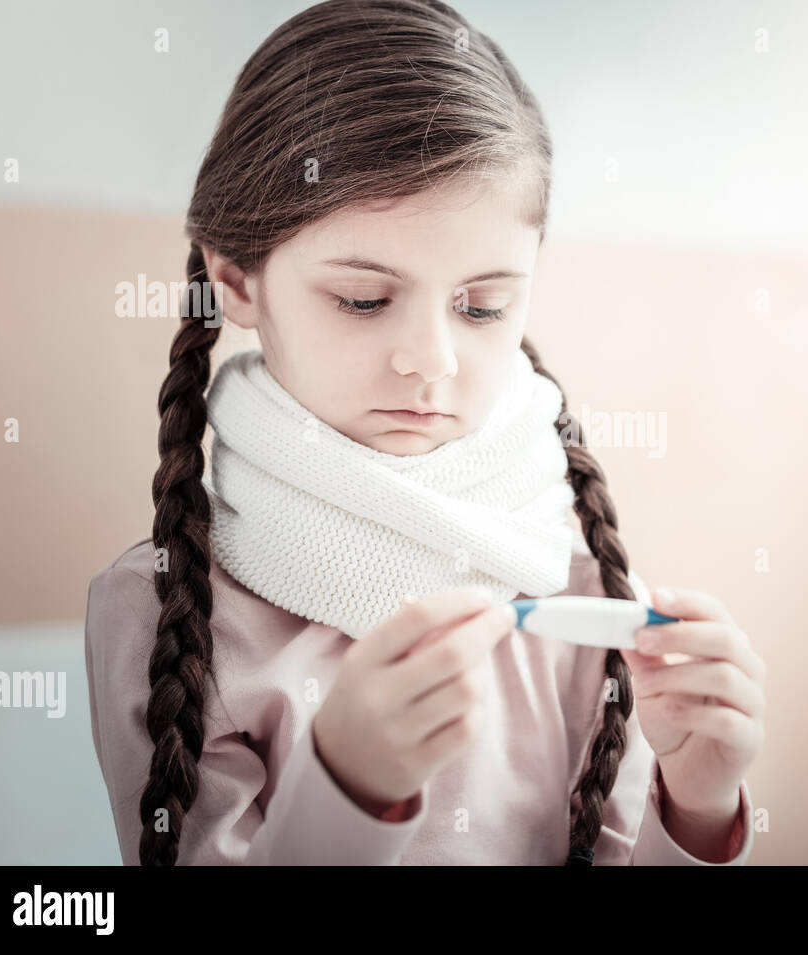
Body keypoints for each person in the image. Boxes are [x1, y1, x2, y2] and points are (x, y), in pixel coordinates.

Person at [84, 0, 765, 866]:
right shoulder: (162, 607)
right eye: (364, 299)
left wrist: (699, 807)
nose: (432, 361)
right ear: (238, 281)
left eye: (483, 306)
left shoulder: (578, 591)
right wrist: (347, 788)